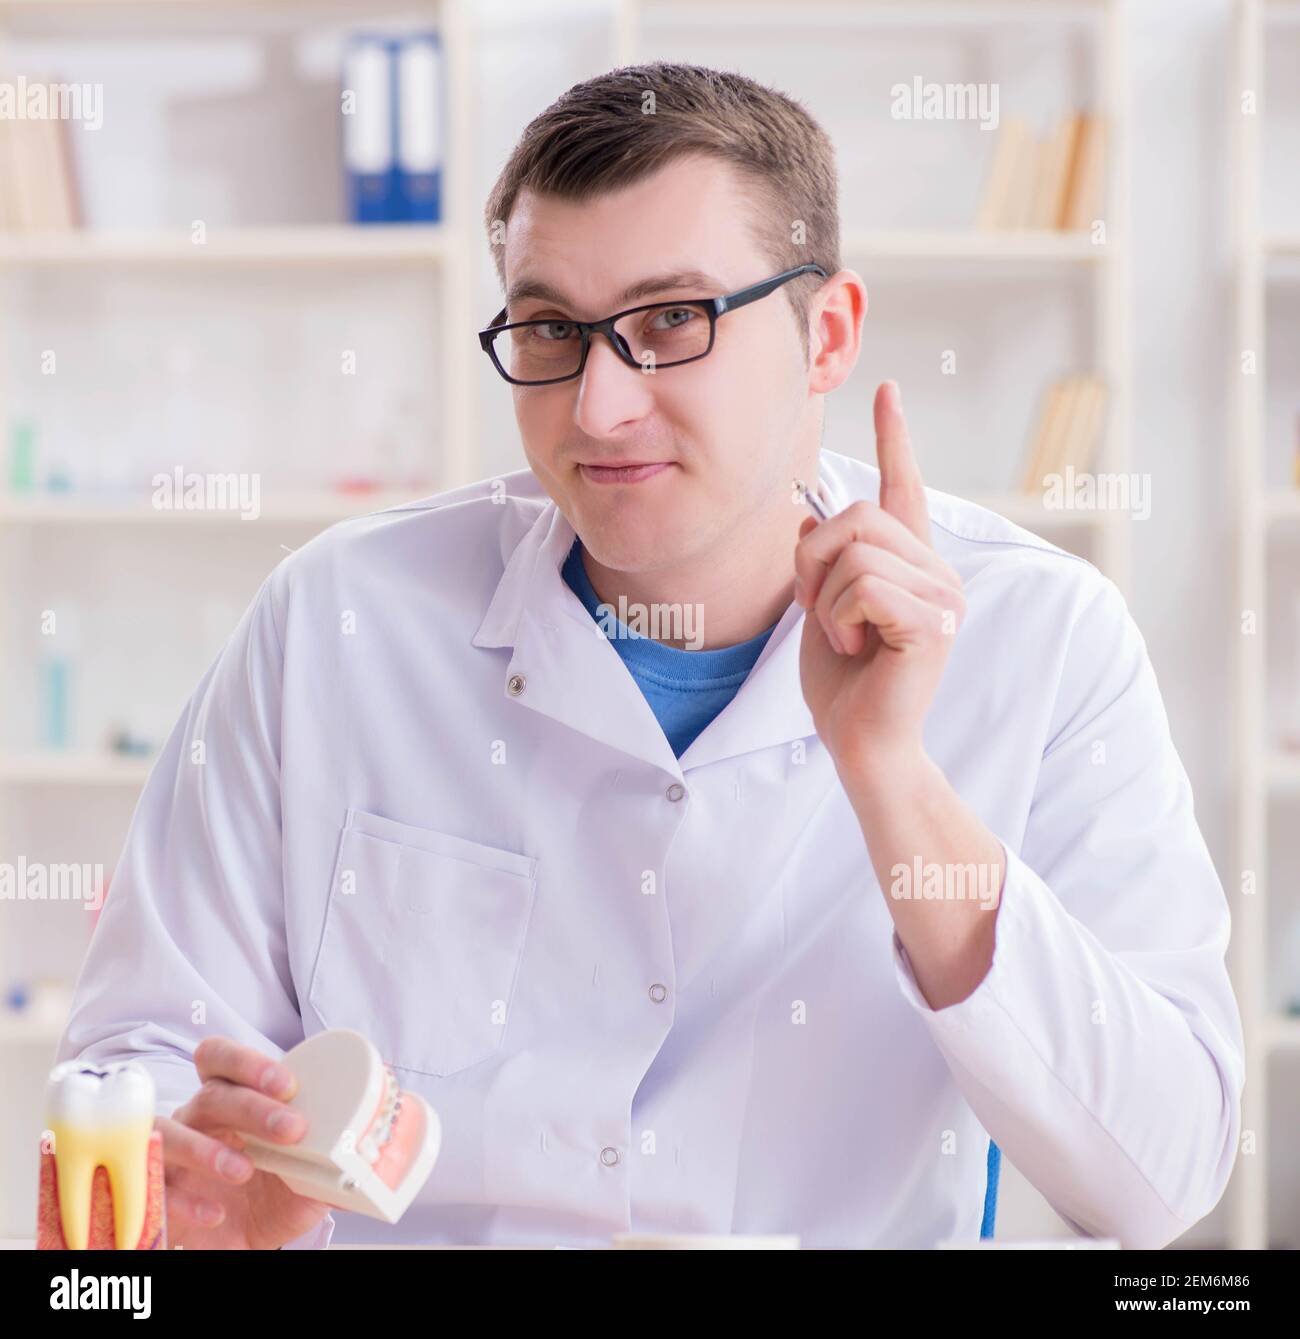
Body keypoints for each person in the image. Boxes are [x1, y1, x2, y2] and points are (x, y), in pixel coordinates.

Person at [57, 61, 1242, 1249]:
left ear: (824, 334)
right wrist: (214, 1213)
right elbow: (140, 1065)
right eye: (550, 329)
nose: (597, 406)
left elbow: (1160, 1175)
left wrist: (891, 778)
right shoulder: (336, 619)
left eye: (672, 321)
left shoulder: (1045, 640)